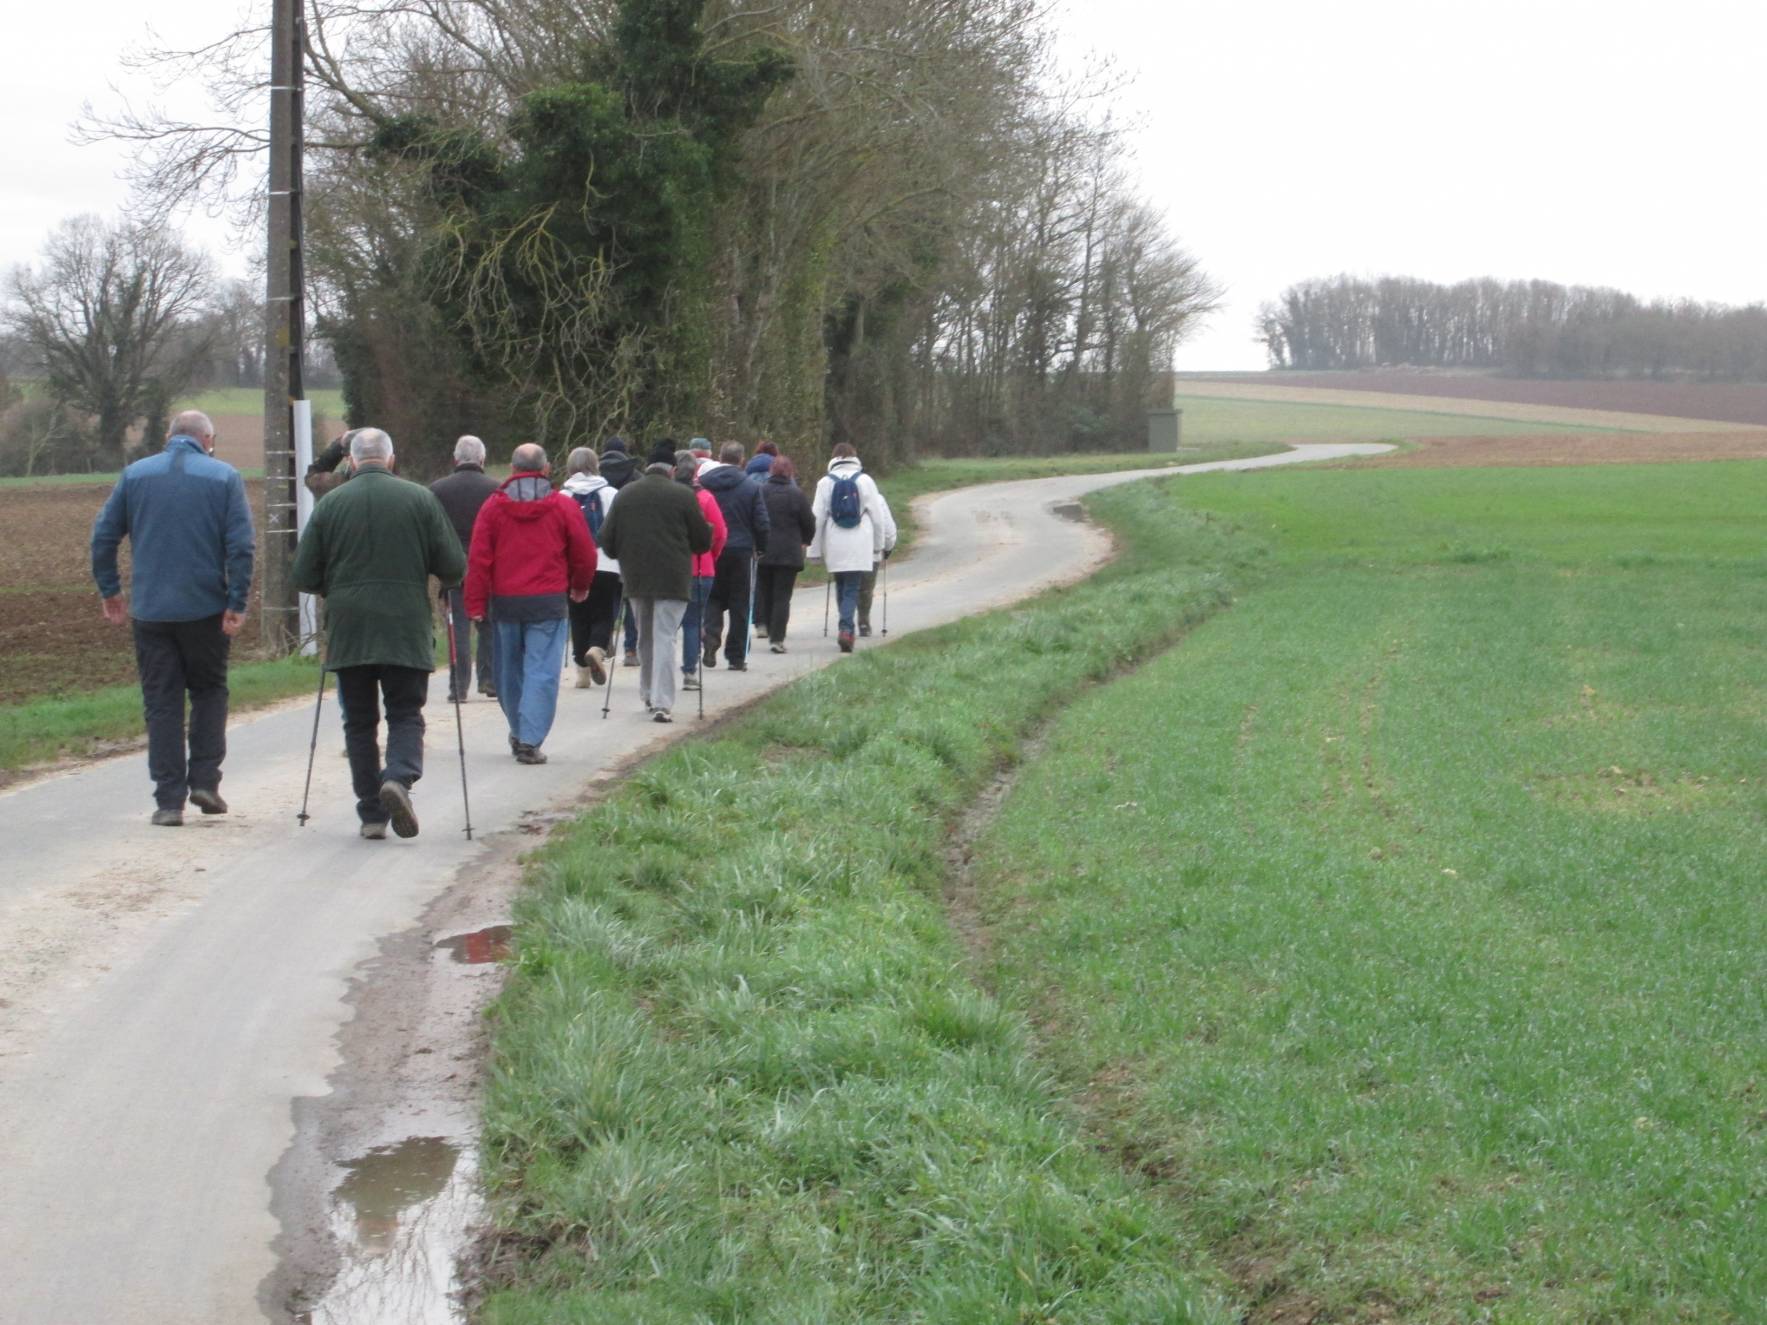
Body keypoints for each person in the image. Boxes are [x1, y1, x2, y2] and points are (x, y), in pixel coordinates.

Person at [291, 428, 466, 839]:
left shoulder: (331, 503)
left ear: (351, 461)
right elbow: (454, 566)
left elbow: (302, 573)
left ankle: (372, 814)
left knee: (359, 721)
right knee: (405, 712)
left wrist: (336, 588)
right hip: (405, 625)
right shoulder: (420, 499)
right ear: (390, 459)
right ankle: (399, 778)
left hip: (350, 627)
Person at [90, 409, 254, 827]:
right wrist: (237, 600)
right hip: (205, 609)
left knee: (161, 703)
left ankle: (168, 800)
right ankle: (204, 780)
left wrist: (110, 590)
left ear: (169, 436)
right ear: (207, 438)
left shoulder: (135, 476)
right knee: (209, 692)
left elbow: (103, 536)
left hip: (151, 611)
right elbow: (240, 547)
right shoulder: (223, 478)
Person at [465, 444, 597, 764]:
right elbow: (584, 552)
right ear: (547, 469)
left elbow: (479, 558)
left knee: (508, 670)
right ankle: (529, 737)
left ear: (512, 469)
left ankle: (519, 728)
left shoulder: (493, 508)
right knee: (542, 671)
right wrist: (580, 586)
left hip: (506, 602)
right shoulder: (562, 507)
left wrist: (475, 603)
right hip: (548, 601)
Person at [595, 447, 714, 723]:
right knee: (664, 636)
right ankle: (662, 702)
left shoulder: (626, 494)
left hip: (636, 578)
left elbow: (607, 540)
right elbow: (701, 542)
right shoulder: (684, 495)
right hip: (672, 578)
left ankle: (648, 693)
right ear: (672, 470)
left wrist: (625, 553)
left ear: (647, 467)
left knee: (645, 636)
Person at [429, 435, 501, 700]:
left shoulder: (437, 489)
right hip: (488, 567)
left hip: (452, 567)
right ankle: (489, 679)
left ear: (455, 459)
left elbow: (431, 531)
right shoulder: (496, 489)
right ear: (482, 459)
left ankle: (458, 687)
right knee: (489, 624)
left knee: (457, 627)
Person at [809, 443, 896, 654]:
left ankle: (845, 625)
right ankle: (846, 629)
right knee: (852, 587)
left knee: (841, 585)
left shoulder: (824, 483)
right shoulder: (865, 481)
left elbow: (817, 518)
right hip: (860, 541)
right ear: (855, 458)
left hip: (835, 541)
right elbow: (877, 517)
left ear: (833, 459)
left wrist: (814, 550)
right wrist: (879, 546)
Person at [697, 441, 770, 671]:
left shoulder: (705, 484)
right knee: (740, 603)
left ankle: (710, 638)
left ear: (719, 457)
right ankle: (736, 657)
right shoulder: (750, 486)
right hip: (741, 550)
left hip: (712, 547)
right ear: (742, 460)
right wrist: (761, 547)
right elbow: (762, 522)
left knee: (713, 597)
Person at [559, 447, 622, 687]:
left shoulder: (562, 497)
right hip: (606, 563)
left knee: (578, 614)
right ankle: (597, 647)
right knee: (603, 611)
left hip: (572, 565)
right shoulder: (611, 494)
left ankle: (582, 672)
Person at [673, 452, 727, 692]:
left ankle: (658, 672)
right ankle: (690, 672)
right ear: (695, 472)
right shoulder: (705, 498)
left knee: (668, 624)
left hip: (672, 568)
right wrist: (711, 556)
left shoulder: (668, 497)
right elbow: (720, 533)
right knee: (694, 622)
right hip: (700, 567)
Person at [753, 456, 815, 651]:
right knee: (782, 596)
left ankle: (765, 625)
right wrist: (806, 539)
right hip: (789, 552)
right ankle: (777, 638)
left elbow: (755, 518)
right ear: (790, 472)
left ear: (771, 471)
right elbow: (809, 522)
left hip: (764, 550)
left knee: (764, 590)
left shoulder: (761, 491)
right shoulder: (797, 494)